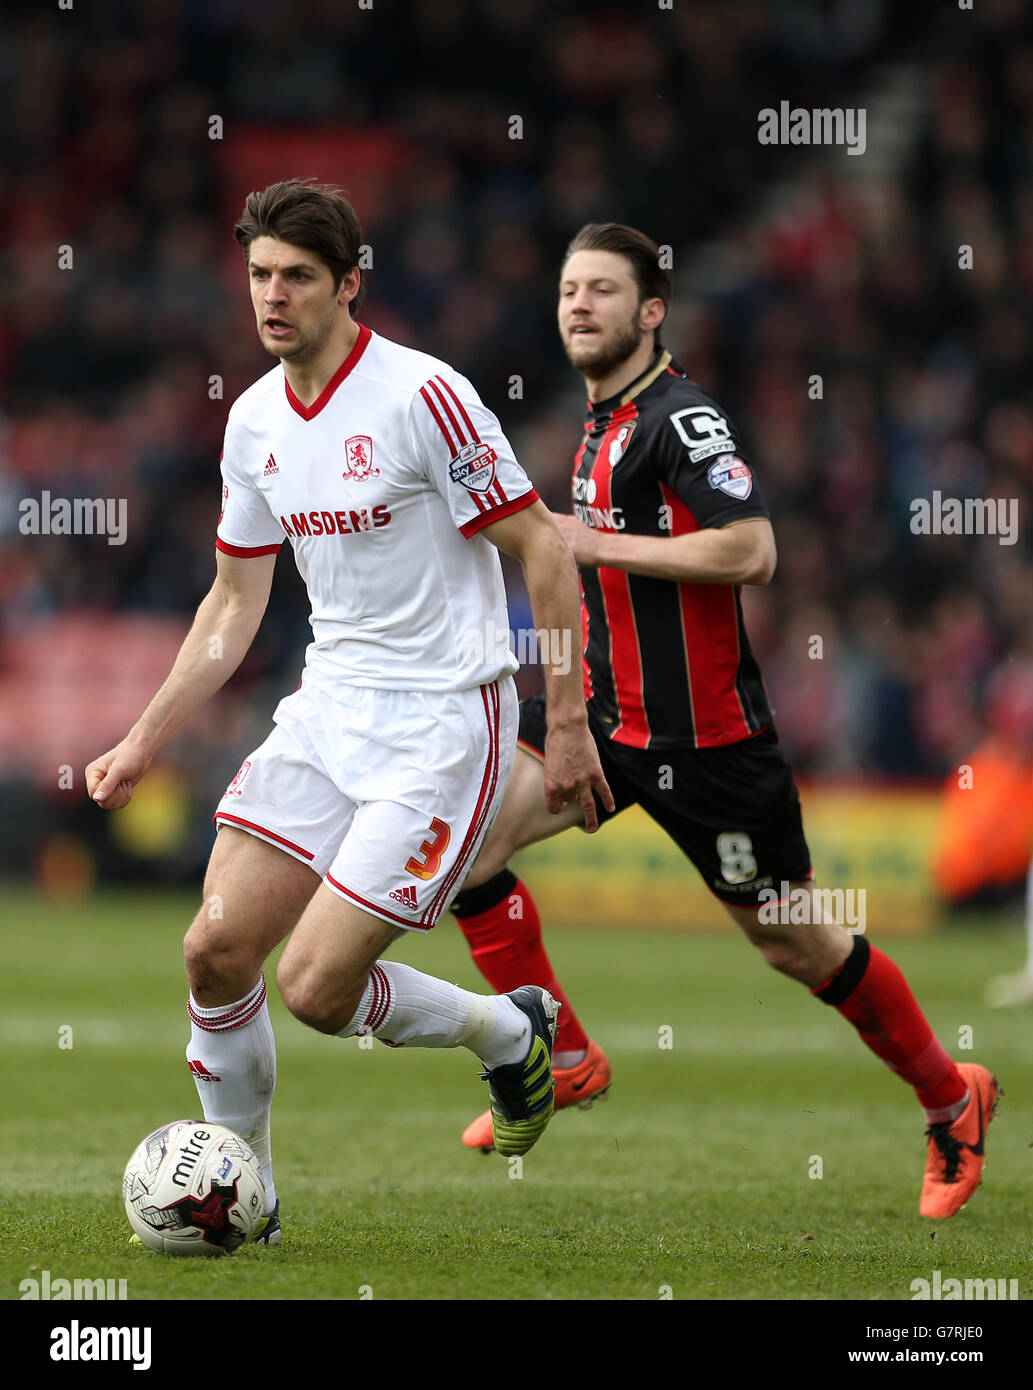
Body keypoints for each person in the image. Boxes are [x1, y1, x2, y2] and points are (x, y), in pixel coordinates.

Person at [85, 180, 612, 1245]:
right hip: (328, 710)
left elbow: (543, 550)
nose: (272, 297)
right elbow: (235, 601)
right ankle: (250, 1206)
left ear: (349, 284)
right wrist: (144, 735)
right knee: (213, 953)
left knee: (317, 988)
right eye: (258, 276)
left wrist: (563, 722)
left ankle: (507, 1033)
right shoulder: (254, 422)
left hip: (440, 724)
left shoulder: (424, 396)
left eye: (297, 278)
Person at [449, 222, 1000, 1219]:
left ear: (650, 312)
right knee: (463, 842)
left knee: (798, 946)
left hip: (710, 749)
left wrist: (600, 543)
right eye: (569, 289)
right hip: (610, 721)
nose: (578, 305)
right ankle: (563, 1056)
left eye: (603, 291)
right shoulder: (596, 420)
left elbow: (753, 550)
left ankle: (950, 1096)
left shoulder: (679, 417)